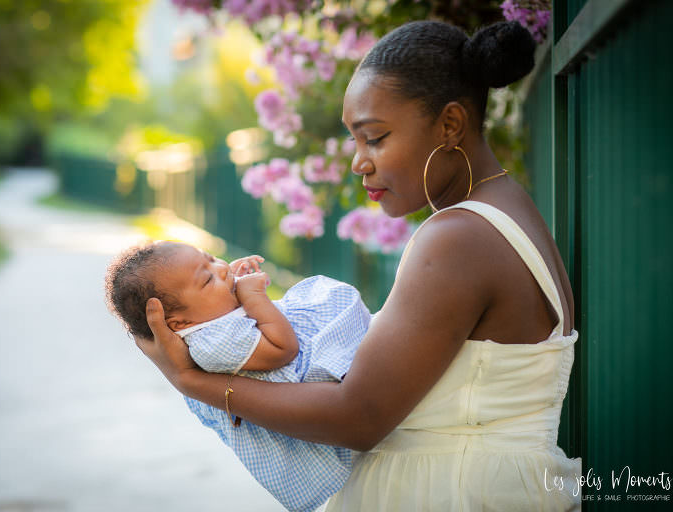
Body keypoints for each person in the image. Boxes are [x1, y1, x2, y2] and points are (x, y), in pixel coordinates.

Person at [134, 19, 582, 511]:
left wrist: (192, 382)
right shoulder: (503, 207)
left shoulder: (458, 237)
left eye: (375, 138)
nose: (358, 162)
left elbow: (358, 418)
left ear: (450, 125)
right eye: (354, 140)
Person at [105, 241, 371, 512]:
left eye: (210, 258)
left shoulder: (207, 318)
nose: (221, 268)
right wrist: (254, 296)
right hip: (316, 377)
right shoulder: (213, 344)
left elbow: (216, 301)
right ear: (180, 324)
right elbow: (283, 349)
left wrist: (229, 278)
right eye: (208, 278)